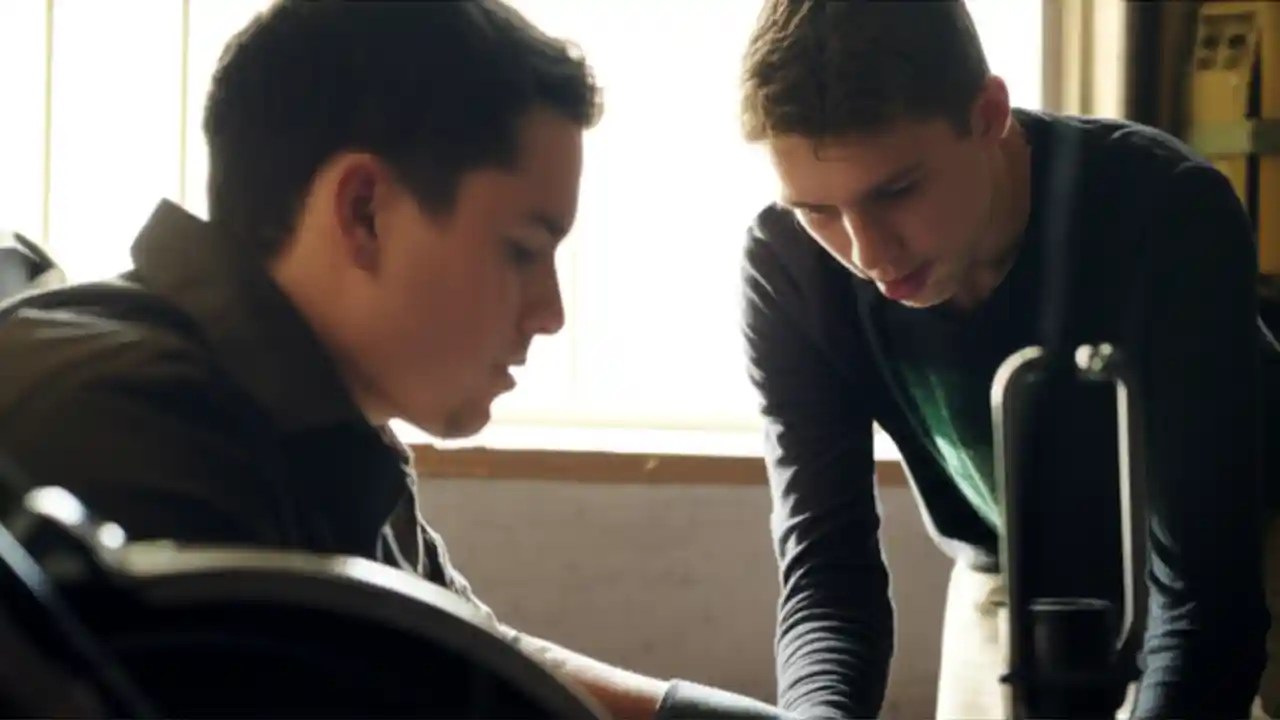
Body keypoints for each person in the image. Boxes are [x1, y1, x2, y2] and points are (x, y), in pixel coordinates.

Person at [0, 2, 788, 719]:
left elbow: (466, 652)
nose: (551, 314)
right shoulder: (126, 433)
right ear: (364, 211)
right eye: (521, 251)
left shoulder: (312, 405)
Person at [737, 0, 1276, 718]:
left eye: (897, 191)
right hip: (1005, 563)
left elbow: (1206, 598)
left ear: (990, 112)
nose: (867, 254)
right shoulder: (791, 268)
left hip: (1241, 542)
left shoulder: (1165, 212)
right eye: (818, 210)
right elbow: (828, 578)